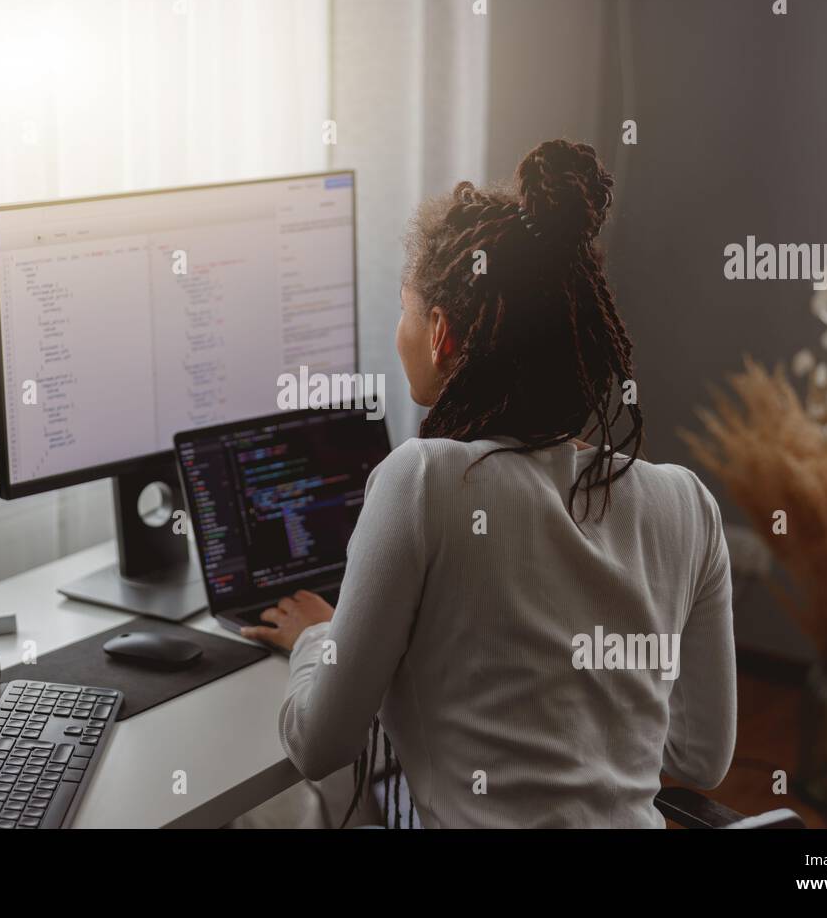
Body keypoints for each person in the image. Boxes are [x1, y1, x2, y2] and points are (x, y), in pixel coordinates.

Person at [241, 139, 735, 828]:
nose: (399, 331)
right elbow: (702, 757)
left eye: (405, 310)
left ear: (440, 335)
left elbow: (319, 746)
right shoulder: (686, 504)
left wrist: (318, 641)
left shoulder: (422, 482)